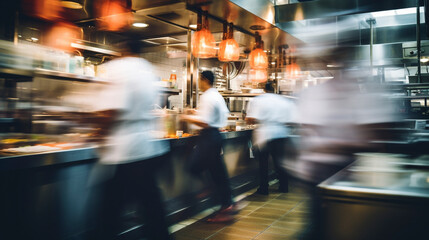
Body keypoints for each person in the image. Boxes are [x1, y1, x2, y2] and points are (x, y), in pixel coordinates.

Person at [89, 39, 172, 240]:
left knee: (109, 208)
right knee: (150, 204)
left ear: (123, 49)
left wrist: (98, 133)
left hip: (124, 150)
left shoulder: (120, 68)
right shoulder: (147, 70)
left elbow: (112, 109)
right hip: (146, 147)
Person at [181, 70, 237, 223]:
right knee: (217, 171)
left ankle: (218, 197)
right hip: (216, 136)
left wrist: (186, 117)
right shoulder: (216, 95)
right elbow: (218, 116)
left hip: (209, 137)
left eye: (199, 79)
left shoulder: (207, 96)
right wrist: (196, 113)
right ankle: (226, 204)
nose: (198, 83)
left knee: (194, 167)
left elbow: (205, 122)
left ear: (204, 79)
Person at [245, 82, 296, 195]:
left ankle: (264, 188)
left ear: (264, 89)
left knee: (263, 164)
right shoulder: (284, 101)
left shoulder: (258, 100)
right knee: (280, 162)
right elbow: (291, 121)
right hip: (280, 134)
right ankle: (284, 186)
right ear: (274, 89)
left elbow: (250, 119)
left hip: (265, 135)